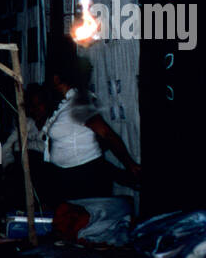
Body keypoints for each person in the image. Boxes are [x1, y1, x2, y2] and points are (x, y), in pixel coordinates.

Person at [41, 62, 140, 201]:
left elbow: (106, 133)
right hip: (69, 175)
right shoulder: (66, 104)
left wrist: (130, 164)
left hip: (85, 176)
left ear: (57, 79)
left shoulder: (79, 103)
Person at [0, 83, 50, 208]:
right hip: (23, 173)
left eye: (40, 104)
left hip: (47, 174)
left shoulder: (55, 124)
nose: (36, 109)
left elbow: (47, 149)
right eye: (33, 106)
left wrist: (22, 146)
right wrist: (9, 163)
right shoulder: (25, 123)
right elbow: (6, 147)